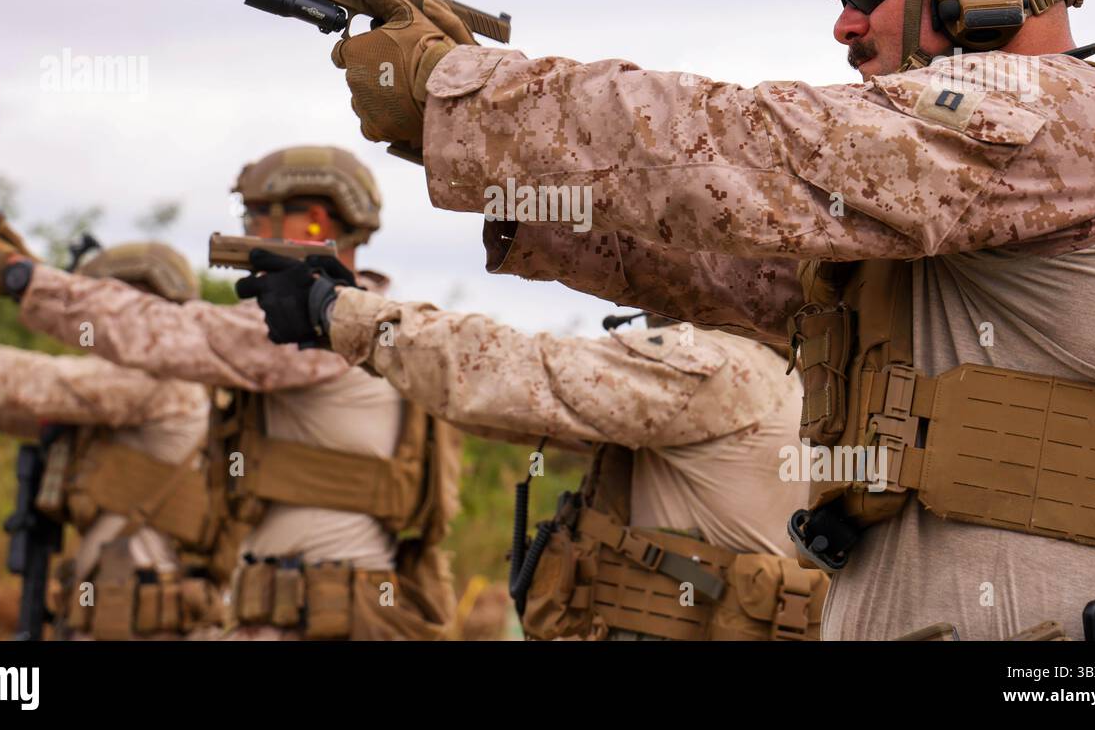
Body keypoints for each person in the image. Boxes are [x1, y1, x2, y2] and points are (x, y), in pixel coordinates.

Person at [319, 0, 1095, 639]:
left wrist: (470, 97)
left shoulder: (1066, 118)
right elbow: (733, 263)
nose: (846, 24)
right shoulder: (965, 220)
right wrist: (479, 154)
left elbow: (758, 148)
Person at [0, 147, 461, 640]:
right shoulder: (359, 320)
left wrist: (23, 280)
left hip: (322, 609)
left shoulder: (331, 324)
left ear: (315, 218)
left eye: (256, 214)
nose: (248, 230)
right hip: (309, 605)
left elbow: (175, 336)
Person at [237, 255, 827, 640]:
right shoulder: (779, 377)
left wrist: (338, 311)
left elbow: (519, 375)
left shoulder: (714, 368)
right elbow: (517, 412)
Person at [0, 242, 219, 640]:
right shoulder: (131, 393)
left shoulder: (162, 380)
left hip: (148, 621)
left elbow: (37, 384)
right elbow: (28, 412)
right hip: (119, 614)